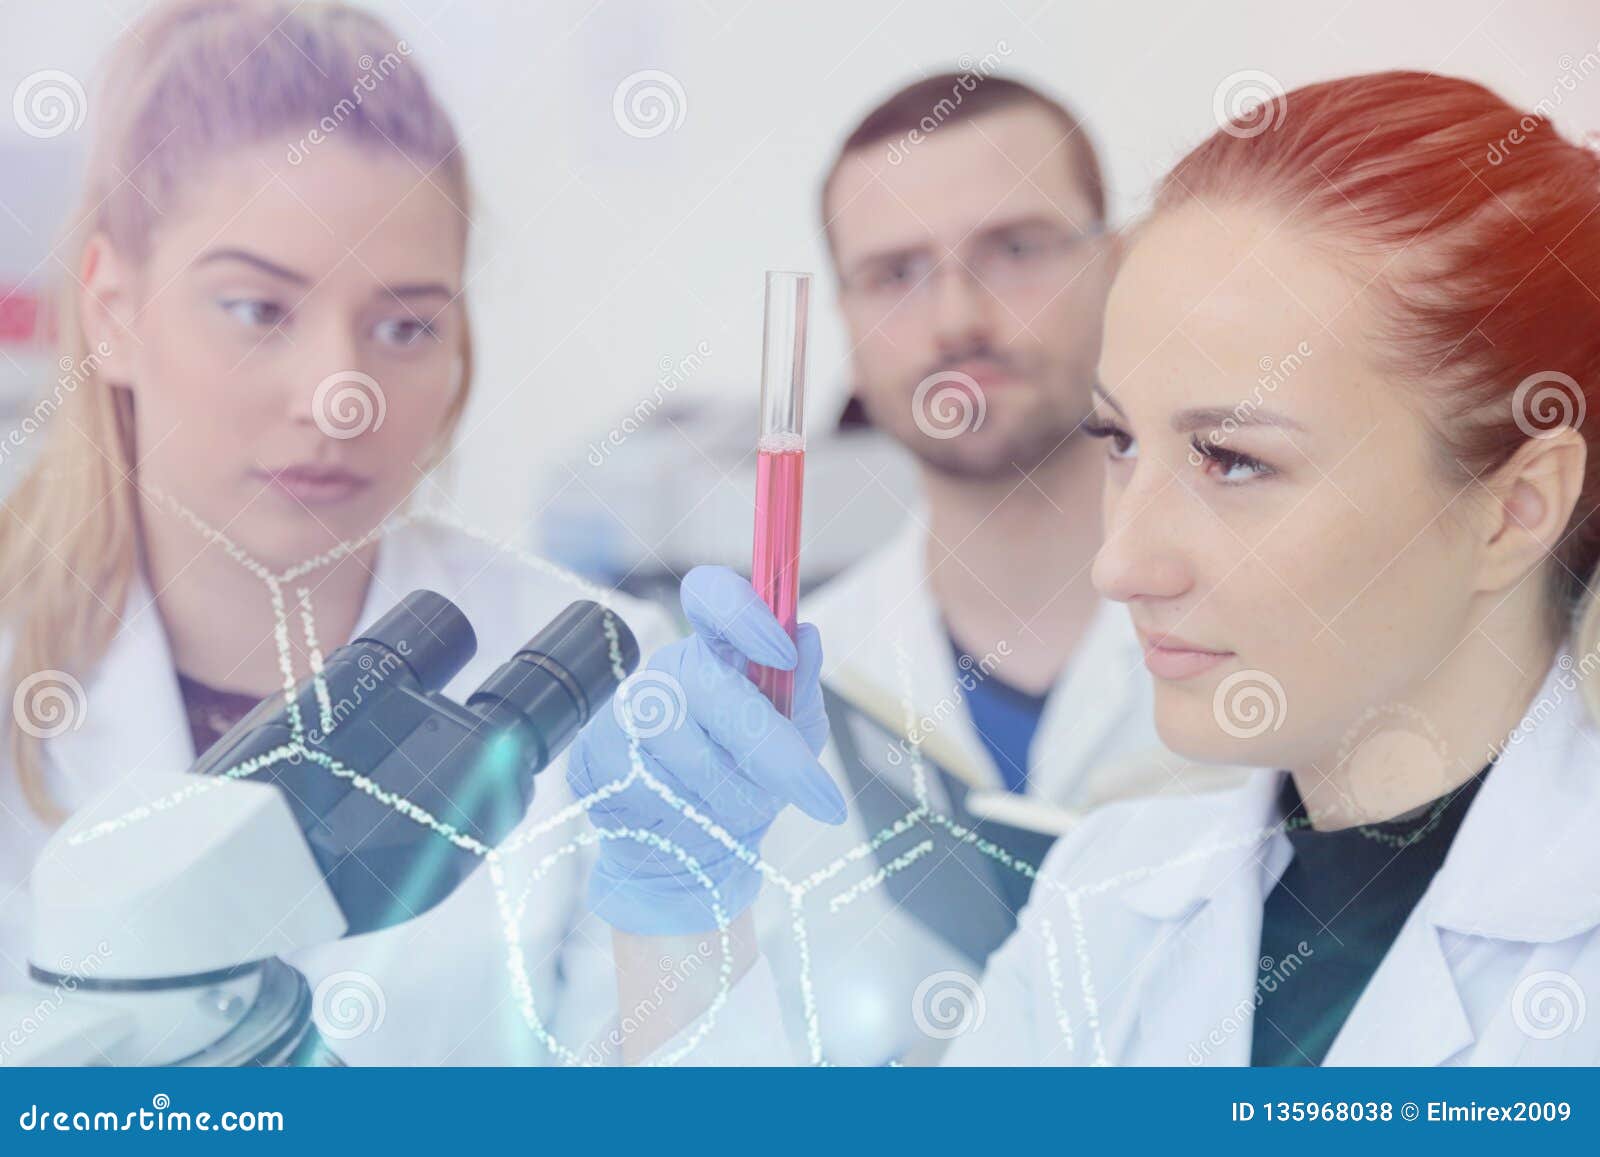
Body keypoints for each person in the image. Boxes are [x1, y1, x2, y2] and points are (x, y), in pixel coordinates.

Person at [568, 70, 1600, 1065]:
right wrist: (683, 927)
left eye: (1233, 458)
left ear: (1515, 507)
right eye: (1117, 440)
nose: (1121, 564)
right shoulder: (1106, 901)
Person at [0, 0, 672, 1065]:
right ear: (113, 313)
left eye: (405, 324)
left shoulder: (616, 681)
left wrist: (694, 952)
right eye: (258, 309)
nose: (341, 394)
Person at [742, 75, 1183, 1064]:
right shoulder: (786, 689)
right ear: (846, 318)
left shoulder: (1272, 644)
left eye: (1015, 249)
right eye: (895, 272)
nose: (956, 318)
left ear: (1117, 268)